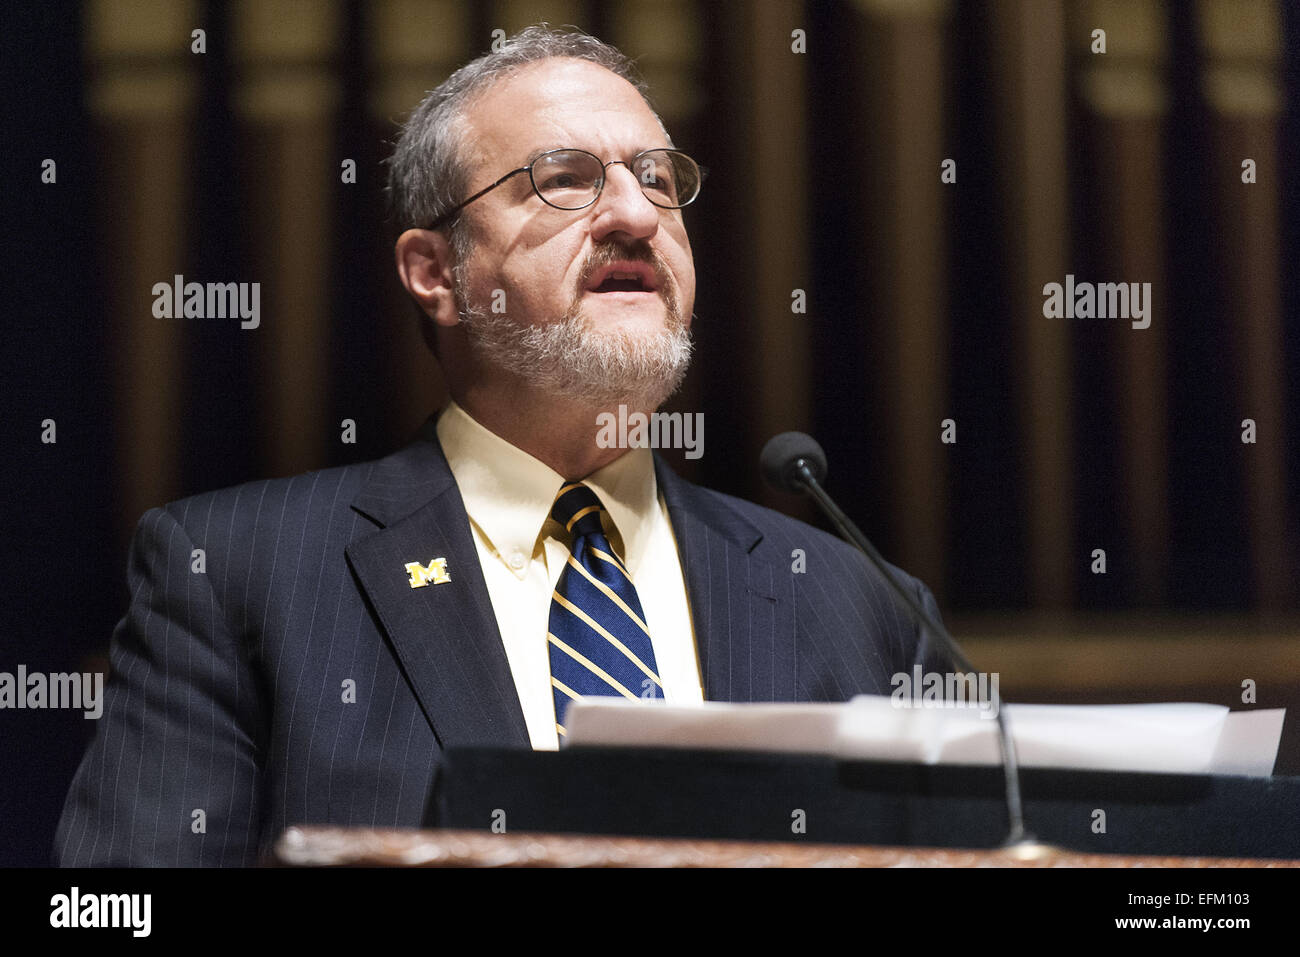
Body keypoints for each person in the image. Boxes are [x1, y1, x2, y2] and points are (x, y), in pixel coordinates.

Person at [56, 25, 947, 867]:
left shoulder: (861, 603)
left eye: (660, 178)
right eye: (565, 178)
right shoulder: (235, 571)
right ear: (436, 273)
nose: (636, 214)